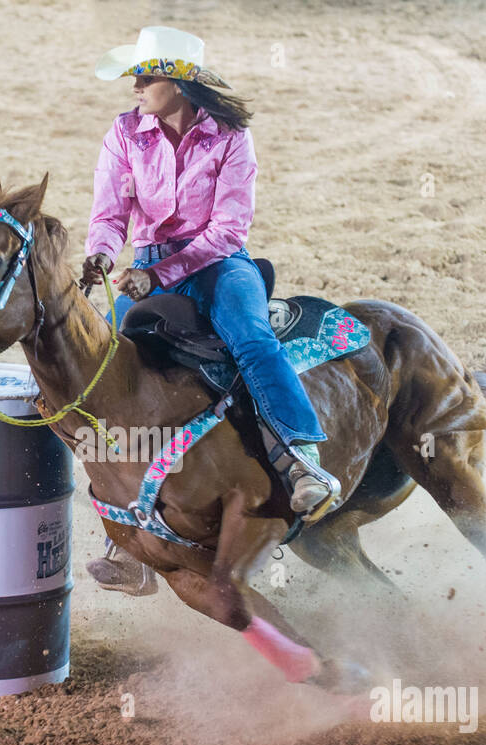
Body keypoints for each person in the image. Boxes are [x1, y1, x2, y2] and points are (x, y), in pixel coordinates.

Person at [79, 26, 341, 593]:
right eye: (137, 77)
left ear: (179, 82)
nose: (137, 86)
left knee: (249, 337)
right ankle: (124, 533)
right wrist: (99, 254)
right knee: (109, 369)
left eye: (147, 76)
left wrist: (157, 273)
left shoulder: (229, 137)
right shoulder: (125, 134)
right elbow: (108, 214)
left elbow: (227, 230)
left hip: (218, 264)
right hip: (149, 265)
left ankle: (303, 459)